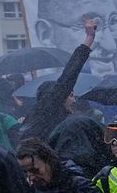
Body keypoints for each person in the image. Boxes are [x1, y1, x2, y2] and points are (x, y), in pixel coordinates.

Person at [21, 16, 98, 144]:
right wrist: (89, 39)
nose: (74, 100)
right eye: (71, 95)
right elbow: (69, 75)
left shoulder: (38, 116)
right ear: (57, 95)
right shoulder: (49, 109)